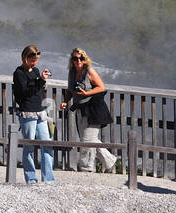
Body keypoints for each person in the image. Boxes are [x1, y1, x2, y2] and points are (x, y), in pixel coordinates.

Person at [62, 48, 117, 173]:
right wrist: (65, 101)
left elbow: (101, 87)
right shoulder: (72, 72)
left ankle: (87, 169)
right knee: (89, 139)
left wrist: (87, 93)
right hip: (80, 109)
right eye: (75, 58)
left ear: (85, 59)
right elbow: (70, 89)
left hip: (93, 109)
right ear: (72, 60)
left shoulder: (89, 71)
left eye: (81, 58)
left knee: (87, 140)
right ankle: (110, 161)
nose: (78, 61)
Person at [12, 44, 55, 184]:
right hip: (27, 112)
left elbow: (37, 89)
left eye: (36, 60)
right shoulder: (19, 73)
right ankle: (31, 178)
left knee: (46, 144)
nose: (34, 62)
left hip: (40, 111)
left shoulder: (36, 71)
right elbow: (25, 92)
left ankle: (48, 178)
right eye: (32, 60)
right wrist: (40, 81)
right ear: (25, 58)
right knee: (29, 145)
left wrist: (41, 80)